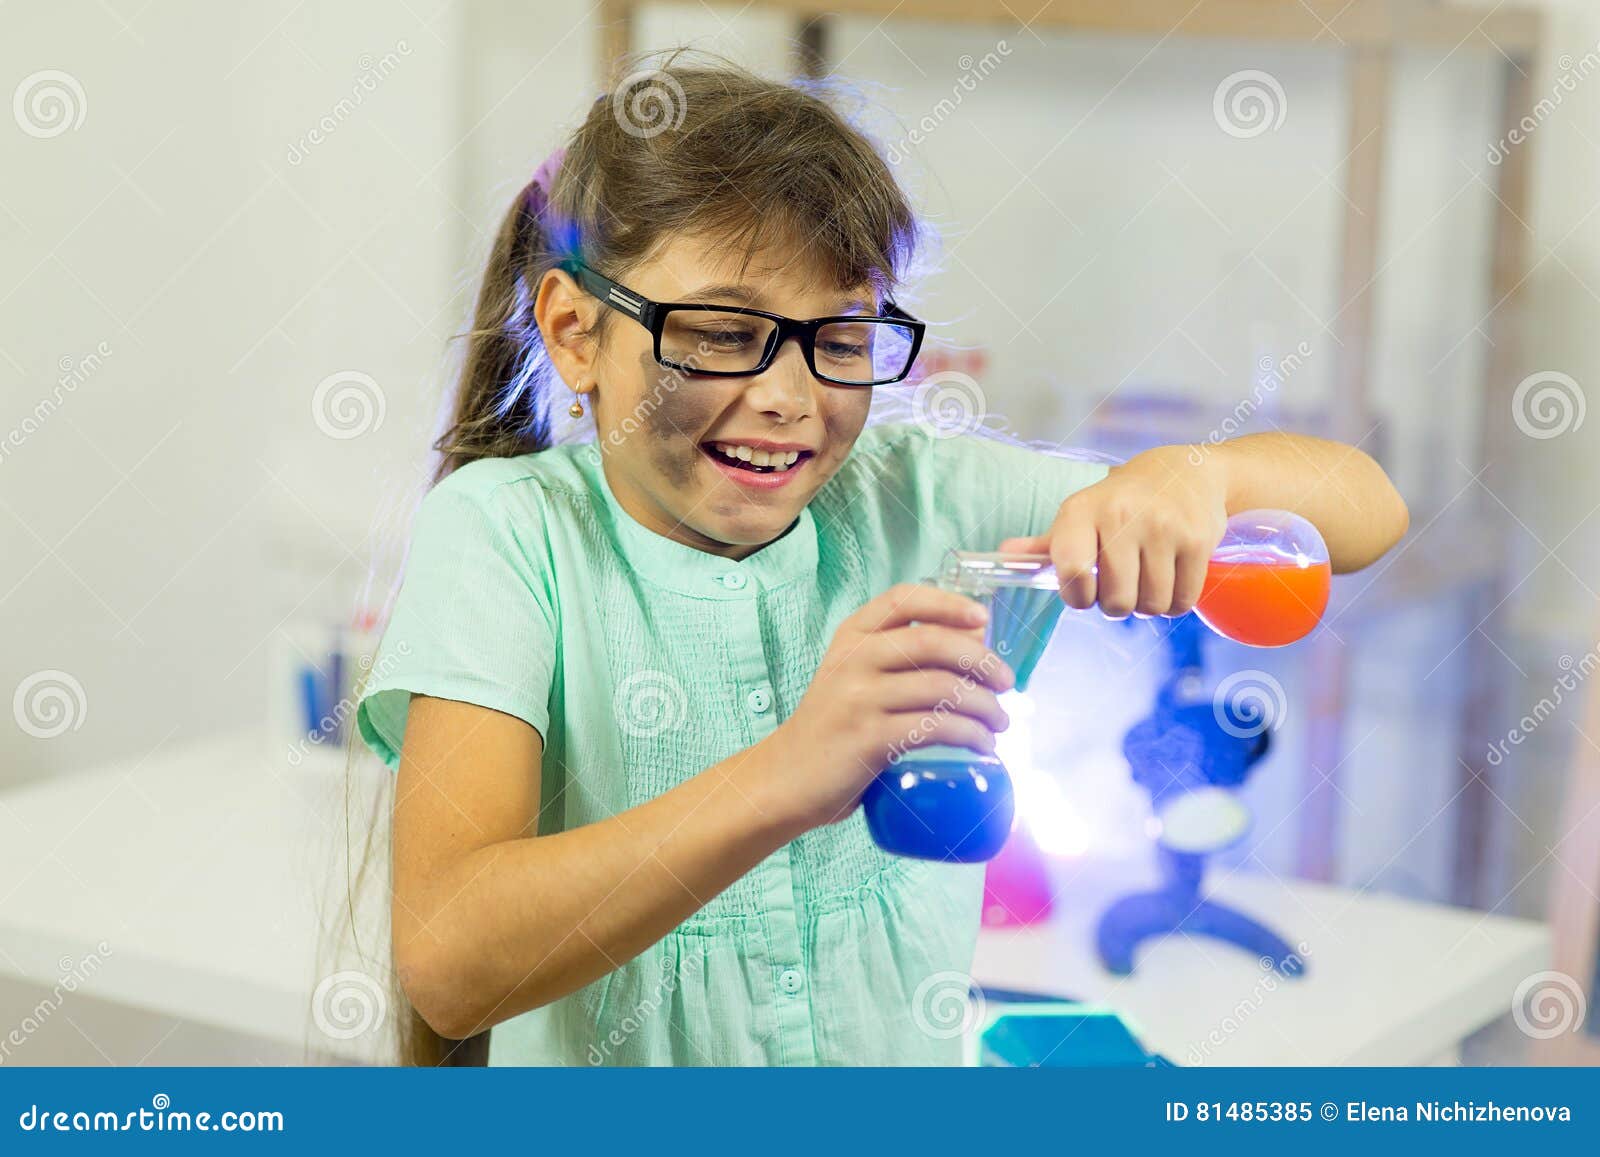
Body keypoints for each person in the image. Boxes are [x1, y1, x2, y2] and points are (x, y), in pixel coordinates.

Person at [353, 57, 1409, 1066]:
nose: (788, 395)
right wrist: (786, 772)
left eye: (843, 338)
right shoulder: (508, 536)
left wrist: (1198, 477)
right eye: (722, 333)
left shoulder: (922, 501)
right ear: (574, 332)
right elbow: (449, 959)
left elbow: (1366, 512)